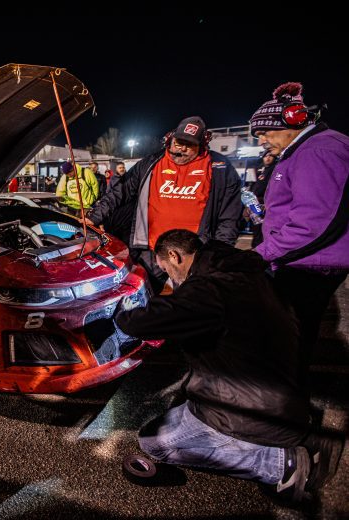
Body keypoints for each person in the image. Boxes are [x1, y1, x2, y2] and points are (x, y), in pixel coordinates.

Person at [115, 229, 343, 503]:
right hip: (282, 394)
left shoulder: (208, 289)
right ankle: (295, 440)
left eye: (165, 269)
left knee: (153, 444)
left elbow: (149, 320)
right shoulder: (240, 269)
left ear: (174, 256)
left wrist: (122, 314)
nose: (169, 277)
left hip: (249, 407)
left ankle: (280, 464)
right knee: (157, 426)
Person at [249, 82, 349, 376]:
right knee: (287, 340)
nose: (261, 141)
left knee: (289, 343)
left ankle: (284, 395)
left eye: (265, 132)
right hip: (302, 262)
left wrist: (261, 254)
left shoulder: (317, 151)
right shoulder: (305, 149)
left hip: (307, 267)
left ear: (292, 121)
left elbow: (313, 223)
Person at [88, 116, 242, 293]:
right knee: (143, 294)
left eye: (190, 144)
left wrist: (220, 252)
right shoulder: (151, 162)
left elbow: (229, 216)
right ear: (170, 139)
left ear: (202, 145)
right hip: (152, 250)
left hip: (192, 254)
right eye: (178, 142)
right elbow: (120, 191)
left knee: (190, 299)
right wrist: (94, 217)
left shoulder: (219, 167)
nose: (182, 148)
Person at [247, 151, 276, 248]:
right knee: (256, 226)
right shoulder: (259, 168)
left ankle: (263, 247)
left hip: (266, 203)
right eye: (265, 156)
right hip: (254, 202)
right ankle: (255, 246)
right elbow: (251, 184)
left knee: (264, 227)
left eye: (270, 156)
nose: (268, 158)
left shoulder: (275, 168)